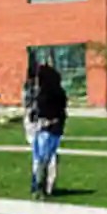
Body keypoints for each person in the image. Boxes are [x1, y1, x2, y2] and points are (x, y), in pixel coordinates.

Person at [30, 64, 67, 199]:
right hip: (55, 129)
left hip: (43, 128)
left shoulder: (43, 94)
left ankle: (38, 185)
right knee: (47, 158)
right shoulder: (59, 93)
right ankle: (43, 186)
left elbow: (37, 112)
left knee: (40, 158)